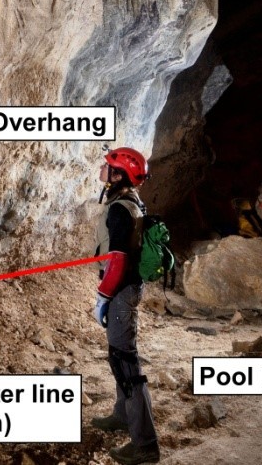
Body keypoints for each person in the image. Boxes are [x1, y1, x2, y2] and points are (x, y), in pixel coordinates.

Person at [90, 147, 160, 464]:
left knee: (126, 364)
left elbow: (117, 260)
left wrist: (103, 297)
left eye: (108, 167)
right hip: (127, 288)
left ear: (118, 176)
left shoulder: (120, 209)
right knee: (118, 356)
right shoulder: (133, 202)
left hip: (121, 291)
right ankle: (122, 415)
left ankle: (145, 445)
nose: (102, 170)